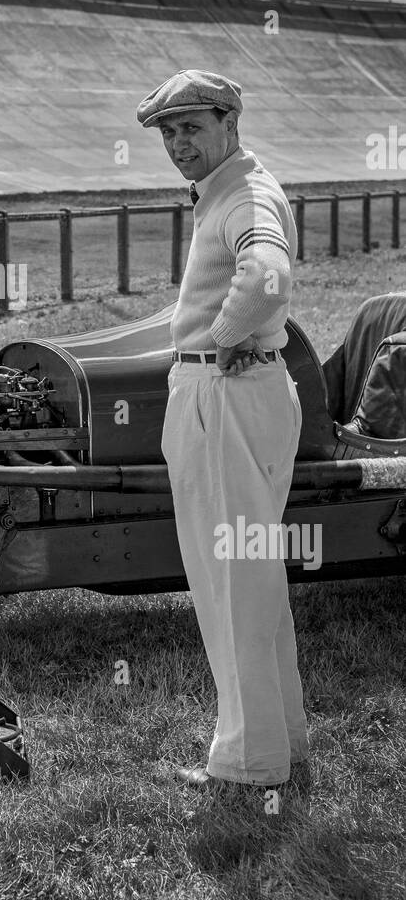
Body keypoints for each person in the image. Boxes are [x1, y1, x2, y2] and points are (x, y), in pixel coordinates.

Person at [136, 69, 308, 793]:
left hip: (227, 393)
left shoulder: (245, 194)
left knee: (230, 581)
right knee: (251, 576)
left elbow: (267, 272)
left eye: (191, 128)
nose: (178, 144)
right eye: (169, 133)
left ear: (229, 123)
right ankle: (281, 742)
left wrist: (228, 331)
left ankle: (248, 762)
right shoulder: (239, 187)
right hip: (242, 392)